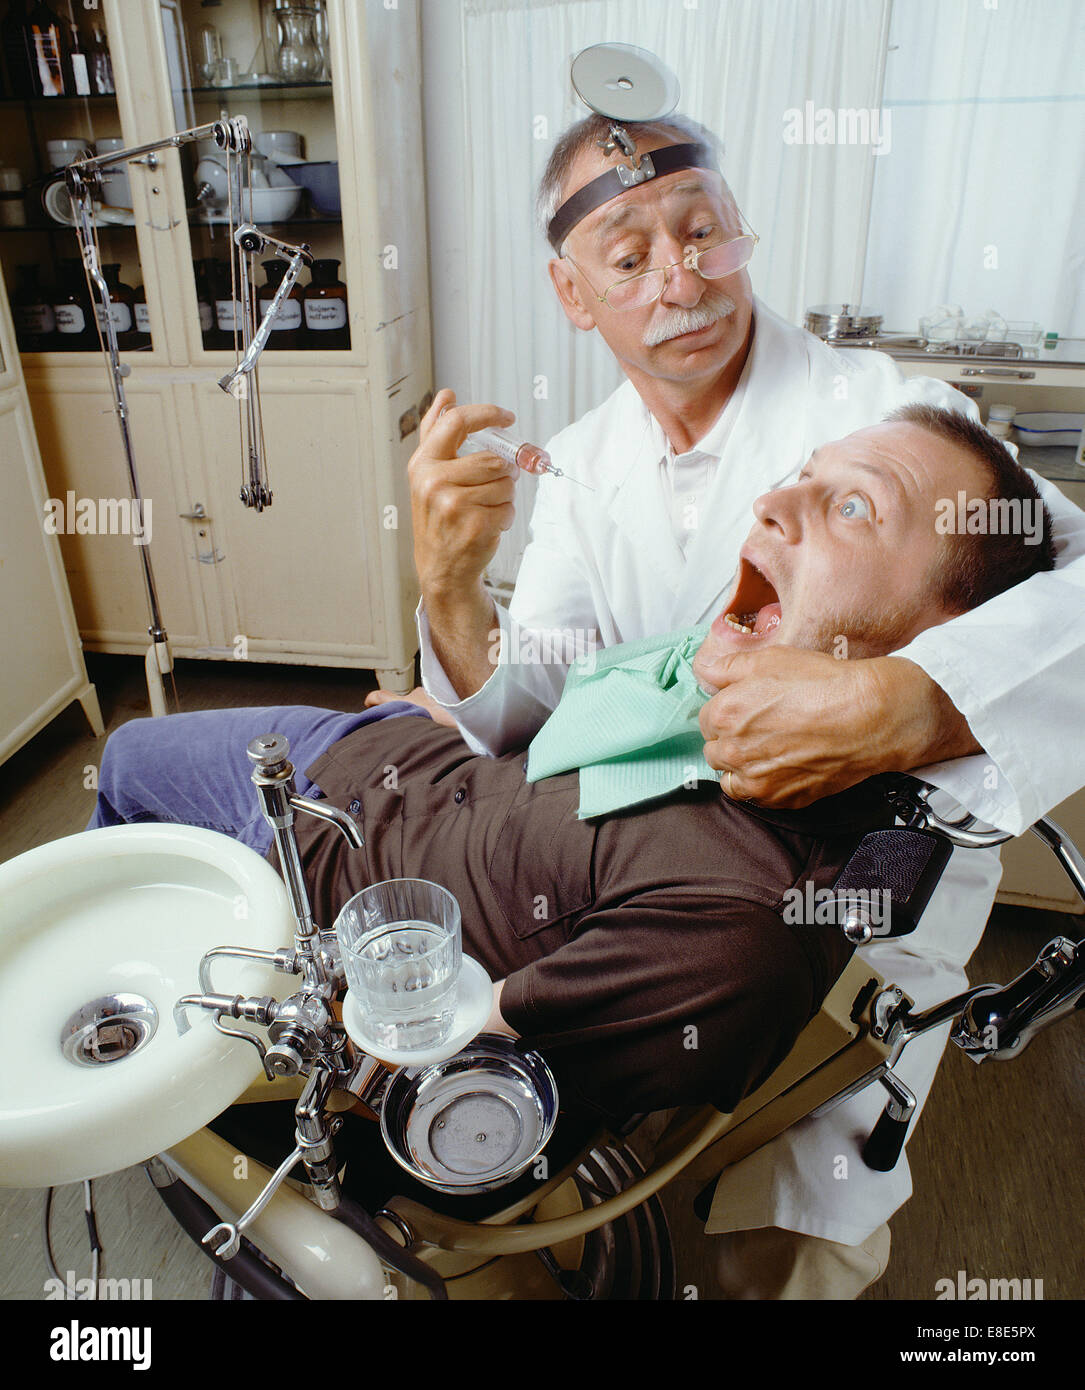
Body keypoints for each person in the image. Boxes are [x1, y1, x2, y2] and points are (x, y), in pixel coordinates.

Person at [90, 409, 1059, 1293]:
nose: (770, 501)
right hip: (394, 761)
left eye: (852, 505)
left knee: (126, 764)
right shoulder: (721, 674)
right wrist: (448, 627)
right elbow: (534, 710)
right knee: (138, 753)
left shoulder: (733, 916)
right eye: (799, 475)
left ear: (953, 643)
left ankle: (120, 1064)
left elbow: (436, 1066)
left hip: (331, 856)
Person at [366, 112, 1085, 1294]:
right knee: (538, 1168)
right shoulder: (587, 463)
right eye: (630, 256)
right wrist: (446, 590)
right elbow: (536, 691)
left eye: (700, 232)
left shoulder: (885, 410)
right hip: (645, 874)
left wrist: (907, 699)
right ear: (570, 293)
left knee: (783, 1248)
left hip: (844, 924)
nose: (681, 279)